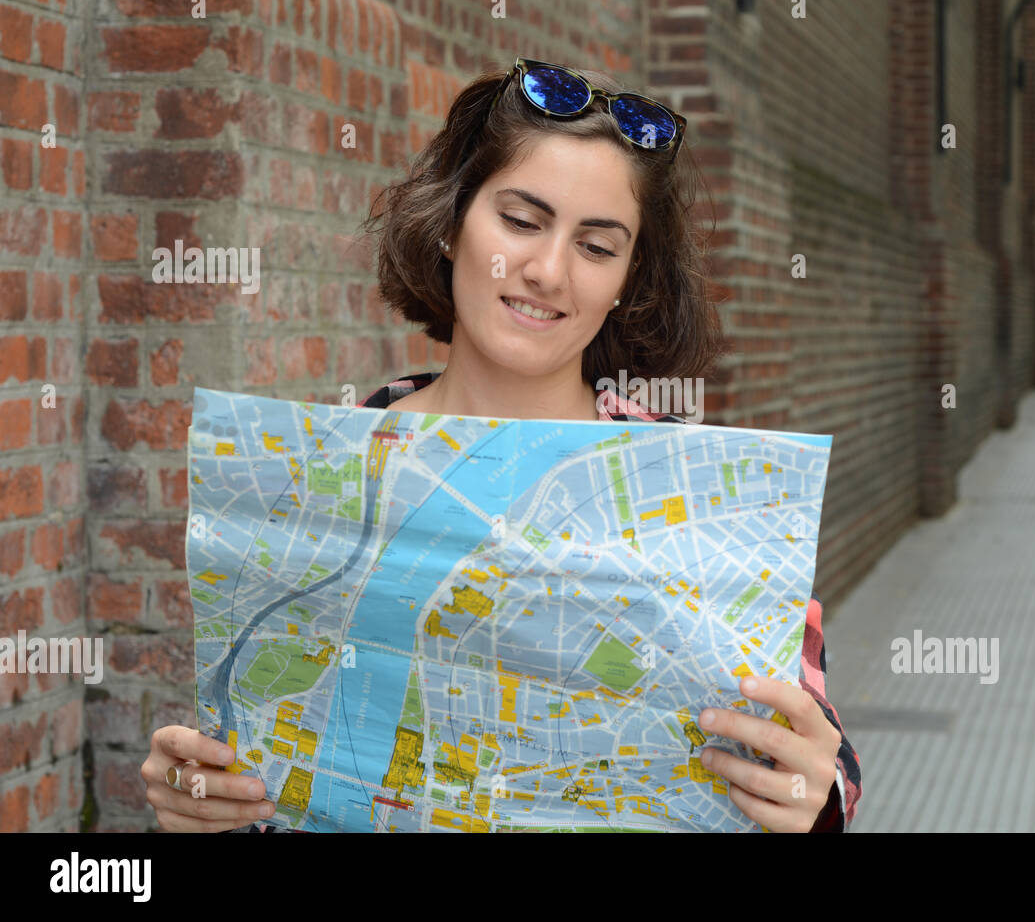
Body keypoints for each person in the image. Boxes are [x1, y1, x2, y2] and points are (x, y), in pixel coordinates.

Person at [143, 57, 862, 833]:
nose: (548, 270)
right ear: (451, 223)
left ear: (629, 276)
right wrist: (200, 807)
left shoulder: (699, 500)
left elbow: (820, 760)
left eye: (597, 246)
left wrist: (817, 799)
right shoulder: (317, 477)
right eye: (521, 221)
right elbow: (262, 768)